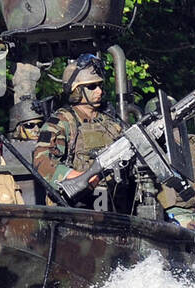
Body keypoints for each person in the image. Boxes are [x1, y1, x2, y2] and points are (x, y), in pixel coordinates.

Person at [32, 54, 125, 201]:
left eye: (100, 85)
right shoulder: (62, 122)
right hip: (79, 208)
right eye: (92, 86)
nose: (99, 91)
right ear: (76, 90)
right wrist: (75, 177)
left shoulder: (111, 123)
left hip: (115, 202)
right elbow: (41, 161)